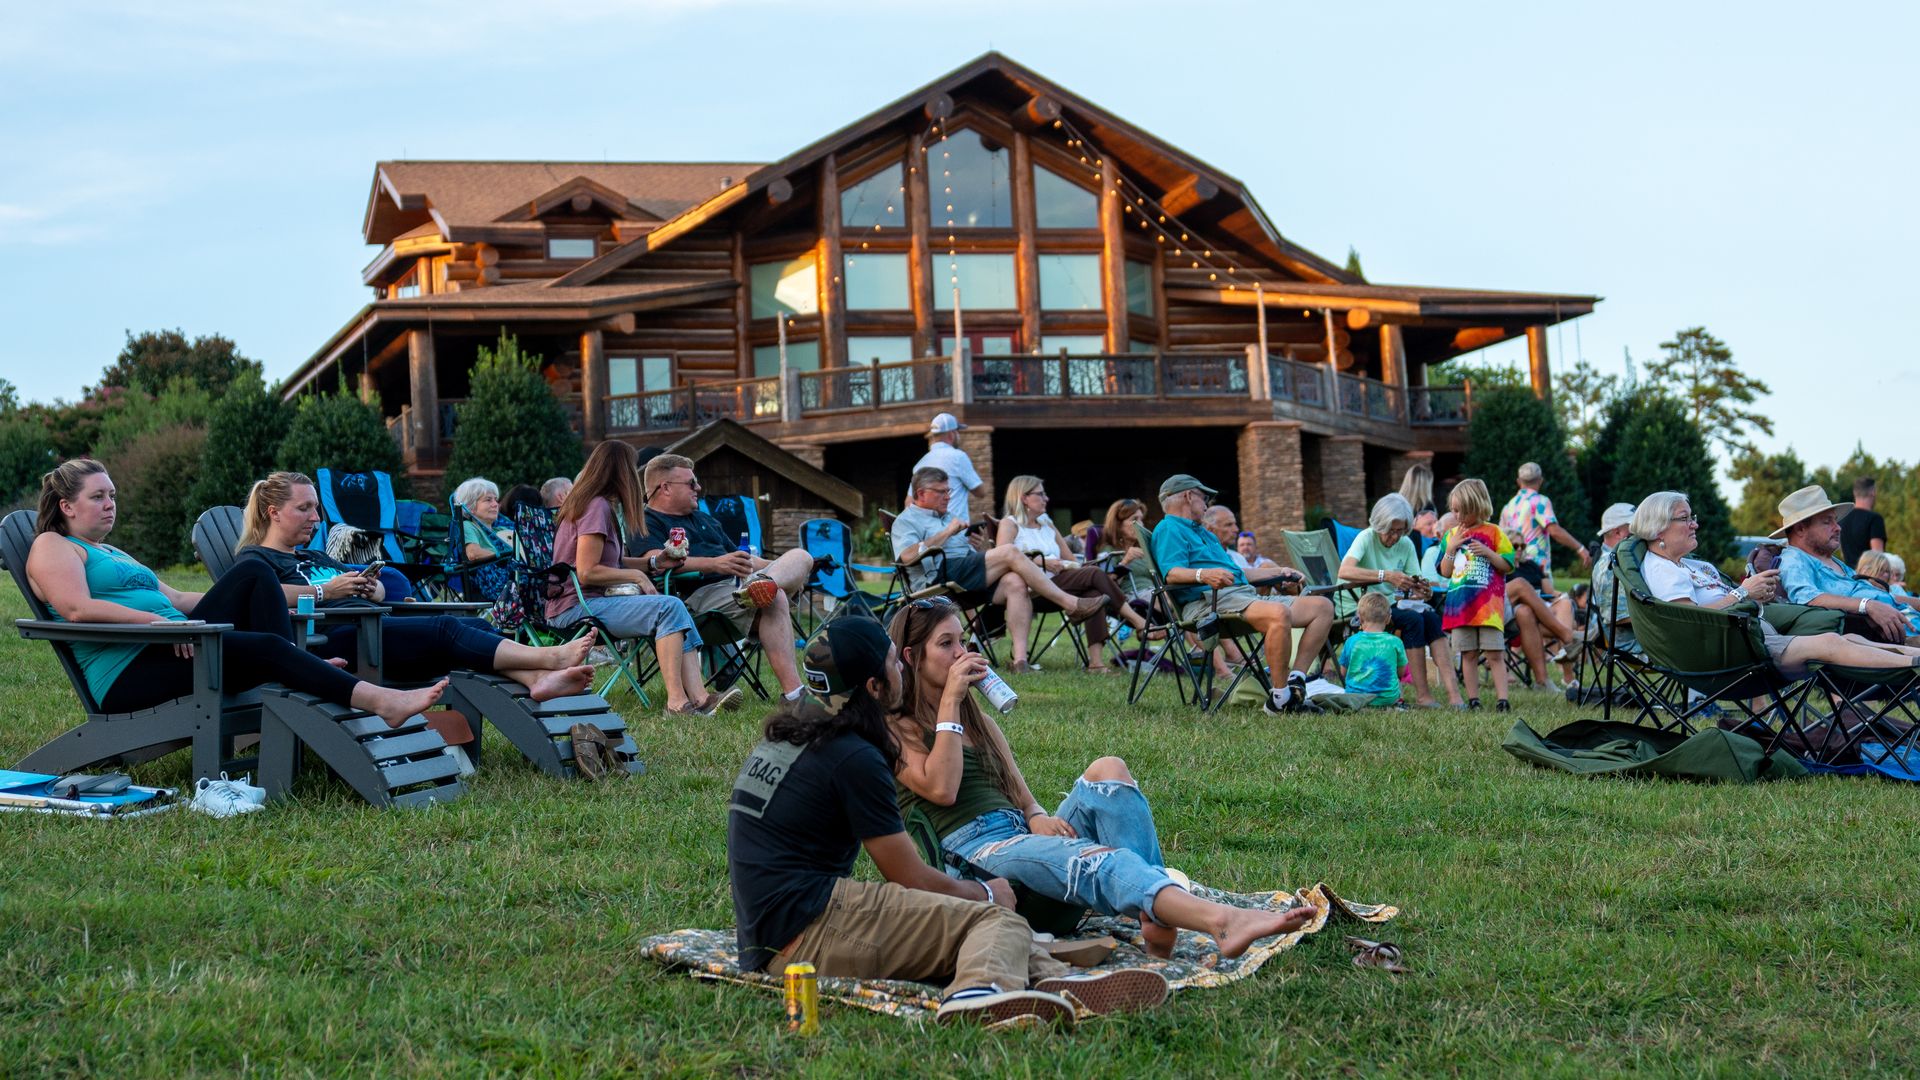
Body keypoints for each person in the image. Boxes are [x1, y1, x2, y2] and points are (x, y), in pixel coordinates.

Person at [726, 618, 1149, 1029]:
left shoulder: (793, 734)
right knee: (992, 918)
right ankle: (978, 995)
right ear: (874, 687)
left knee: (987, 922)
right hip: (805, 929)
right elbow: (909, 876)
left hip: (776, 924)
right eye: (894, 662)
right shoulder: (853, 756)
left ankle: (1058, 981)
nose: (902, 669)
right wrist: (986, 892)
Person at [886, 598, 1319, 965]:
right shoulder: (895, 729)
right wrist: (950, 702)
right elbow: (942, 789)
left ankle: (1157, 918)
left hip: (1019, 839)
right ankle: (1219, 920)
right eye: (946, 644)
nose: (961, 653)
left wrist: (1036, 817)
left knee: (1108, 770)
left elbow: (1021, 795)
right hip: (978, 860)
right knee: (1091, 855)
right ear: (911, 656)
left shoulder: (978, 721)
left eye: (962, 641)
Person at [25, 459, 448, 728]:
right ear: (66, 506)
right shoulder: (52, 545)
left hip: (182, 644)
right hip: (131, 669)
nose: (110, 504)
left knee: (252, 573)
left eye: (112, 496)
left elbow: (177, 600)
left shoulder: (112, 552)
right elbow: (77, 609)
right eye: (98, 496)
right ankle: (379, 701)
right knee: (266, 639)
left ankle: (297, 662)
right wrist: (162, 625)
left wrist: (214, 611)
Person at [235, 472, 595, 701]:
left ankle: (535, 678)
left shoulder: (316, 556)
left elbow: (377, 590)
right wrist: (328, 592)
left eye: (316, 508)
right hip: (335, 642)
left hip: (374, 625)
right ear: (273, 512)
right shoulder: (255, 560)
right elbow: (260, 595)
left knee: (475, 624)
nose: (316, 517)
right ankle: (548, 658)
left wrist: (368, 588)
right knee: (445, 628)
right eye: (304, 508)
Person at [1633, 490, 1920, 674]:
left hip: (1752, 633)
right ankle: (1912, 664)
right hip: (1730, 651)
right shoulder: (1663, 570)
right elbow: (1686, 620)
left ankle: (1914, 658)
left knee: (1846, 640)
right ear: (1658, 528)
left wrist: (1756, 595)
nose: (1695, 524)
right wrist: (1743, 593)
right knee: (1832, 642)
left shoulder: (1692, 565)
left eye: (1692, 517)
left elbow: (1733, 600)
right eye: (1684, 518)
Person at [548, 441, 730, 717]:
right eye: (632, 469)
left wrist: (654, 562)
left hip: (589, 602)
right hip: (577, 607)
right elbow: (587, 571)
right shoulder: (595, 507)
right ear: (620, 472)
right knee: (668, 607)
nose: (634, 476)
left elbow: (612, 563)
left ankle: (701, 698)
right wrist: (636, 575)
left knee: (673, 605)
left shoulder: (597, 505)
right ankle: (677, 703)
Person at [631, 453, 818, 700]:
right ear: (665, 487)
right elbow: (656, 562)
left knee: (802, 556)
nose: (698, 488)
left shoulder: (704, 519)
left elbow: (743, 559)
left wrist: (787, 567)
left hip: (738, 586)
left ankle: (764, 585)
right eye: (691, 483)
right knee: (776, 597)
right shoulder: (646, 521)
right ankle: (795, 695)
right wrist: (714, 564)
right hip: (694, 598)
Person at [1150, 474, 1334, 713]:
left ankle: (1296, 680)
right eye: (1204, 498)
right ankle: (1280, 701)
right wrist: (1203, 575)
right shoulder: (1169, 528)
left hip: (1240, 596)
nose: (1206, 505)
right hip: (1208, 603)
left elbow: (1238, 573)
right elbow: (1171, 573)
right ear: (1188, 495)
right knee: (1278, 613)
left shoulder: (1204, 533)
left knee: (1322, 607)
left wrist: (1279, 571)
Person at [892, 467, 1104, 673]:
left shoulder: (947, 516)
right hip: (937, 578)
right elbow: (907, 556)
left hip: (962, 576)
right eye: (941, 492)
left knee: (1015, 582)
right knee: (1009, 551)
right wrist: (948, 532)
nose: (948, 497)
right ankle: (1070, 604)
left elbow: (962, 555)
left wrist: (973, 546)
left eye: (949, 491)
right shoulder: (906, 520)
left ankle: (1020, 661)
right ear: (921, 493)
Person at [994, 475, 1147, 673]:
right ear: (1024, 498)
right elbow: (1002, 559)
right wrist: (1040, 562)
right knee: (1094, 574)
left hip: (1060, 585)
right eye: (1041, 494)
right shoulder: (1010, 524)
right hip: (1030, 592)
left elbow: (1073, 560)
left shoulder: (1047, 523)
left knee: (1094, 594)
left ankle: (1096, 664)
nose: (1046, 498)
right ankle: (1137, 621)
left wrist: (1064, 565)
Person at [1335, 493, 1461, 707]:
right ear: (1379, 524)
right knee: (1413, 620)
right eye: (1390, 530)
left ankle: (1454, 695)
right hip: (1360, 605)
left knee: (1431, 618)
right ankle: (1423, 695)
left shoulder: (1405, 544)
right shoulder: (1366, 537)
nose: (1395, 536)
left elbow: (1415, 581)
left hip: (1388, 604)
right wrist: (1386, 575)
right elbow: (1345, 570)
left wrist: (1423, 591)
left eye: (1400, 531)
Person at [1773, 485, 1920, 645]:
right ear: (1801, 529)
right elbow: (1807, 598)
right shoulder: (1793, 560)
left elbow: (1874, 595)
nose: (1838, 527)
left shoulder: (1832, 561)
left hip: (1907, 621)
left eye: (1835, 520)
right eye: (1827, 522)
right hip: (1897, 637)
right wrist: (1866, 605)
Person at [1439, 479, 1515, 712]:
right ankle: (1474, 699)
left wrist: (1489, 553)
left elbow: (1508, 565)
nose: (1457, 515)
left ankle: (1503, 700)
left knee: (1495, 653)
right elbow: (1445, 571)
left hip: (1488, 608)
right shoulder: (1451, 535)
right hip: (1461, 607)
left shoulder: (1495, 533)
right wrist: (1450, 548)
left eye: (1463, 511)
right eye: (1454, 510)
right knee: (1468, 654)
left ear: (1478, 507)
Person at [1499, 462, 1592, 594]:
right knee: (1547, 599)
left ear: (1518, 481)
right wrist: (1580, 548)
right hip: (1537, 567)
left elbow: (1502, 538)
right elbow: (1554, 531)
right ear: (1540, 481)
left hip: (1514, 567)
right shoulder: (1540, 501)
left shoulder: (1508, 506)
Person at [1587, 502, 1639, 657]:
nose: (1642, 532)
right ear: (1618, 532)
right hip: (1635, 646)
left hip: (1648, 639)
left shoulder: (1626, 560)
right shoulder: (1610, 566)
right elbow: (1617, 616)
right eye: (1636, 527)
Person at [1339, 593, 1408, 706]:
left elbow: (1343, 672)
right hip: (1387, 699)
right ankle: (1398, 702)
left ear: (1360, 618)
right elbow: (1401, 672)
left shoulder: (1352, 641)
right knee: (1397, 683)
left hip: (1355, 698)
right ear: (1388, 618)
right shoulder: (1395, 641)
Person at [911, 412, 982, 521]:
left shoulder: (920, 463)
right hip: (955, 528)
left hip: (930, 530)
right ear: (952, 434)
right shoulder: (958, 457)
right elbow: (980, 492)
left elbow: (909, 501)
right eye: (958, 431)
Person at [454, 477, 515, 564]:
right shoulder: (468, 526)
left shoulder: (502, 530)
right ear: (471, 507)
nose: (496, 504)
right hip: (491, 572)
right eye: (488, 500)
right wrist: (505, 560)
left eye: (495, 500)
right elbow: (473, 553)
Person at [1839, 476, 1887, 567]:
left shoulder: (1843, 519)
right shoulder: (1875, 519)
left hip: (1848, 573)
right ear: (1873, 492)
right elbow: (1877, 556)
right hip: (1867, 573)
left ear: (1854, 493)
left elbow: (1842, 553)